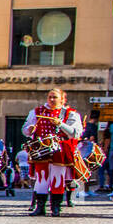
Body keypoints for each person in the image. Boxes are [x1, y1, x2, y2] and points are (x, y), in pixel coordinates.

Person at [23, 88, 82, 217]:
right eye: (50, 97)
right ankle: (40, 207)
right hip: (41, 150)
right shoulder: (37, 112)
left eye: (55, 97)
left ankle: (56, 207)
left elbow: (75, 133)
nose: (52, 100)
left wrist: (60, 124)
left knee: (57, 179)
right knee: (41, 179)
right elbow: (25, 130)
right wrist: (30, 129)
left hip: (59, 151)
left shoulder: (70, 114)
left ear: (62, 99)